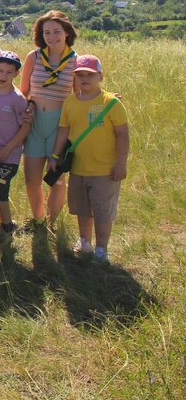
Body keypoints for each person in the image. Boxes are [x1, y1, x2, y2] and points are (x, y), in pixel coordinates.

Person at [50, 55, 130, 263]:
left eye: (89, 75)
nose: (84, 79)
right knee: (82, 209)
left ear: (100, 77)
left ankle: (102, 249)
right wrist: (55, 156)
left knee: (102, 213)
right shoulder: (70, 102)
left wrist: (121, 162)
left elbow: (123, 134)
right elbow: (63, 132)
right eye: (80, 75)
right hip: (78, 168)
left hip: (105, 170)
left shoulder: (111, 103)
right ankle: (85, 242)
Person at [21, 10, 79, 228]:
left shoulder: (75, 61)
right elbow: (24, 90)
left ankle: (52, 224)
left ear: (66, 33)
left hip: (59, 125)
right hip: (35, 123)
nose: (52, 36)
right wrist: (25, 107)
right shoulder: (33, 57)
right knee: (31, 180)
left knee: (57, 179)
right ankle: (38, 220)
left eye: (56, 31)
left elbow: (80, 95)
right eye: (47, 32)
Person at [0, 51, 34, 243]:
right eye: (0, 71)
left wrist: (7, 149)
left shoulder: (17, 98)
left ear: (16, 74)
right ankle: (4, 223)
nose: (3, 76)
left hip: (9, 155)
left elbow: (25, 127)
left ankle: (7, 227)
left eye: (9, 72)